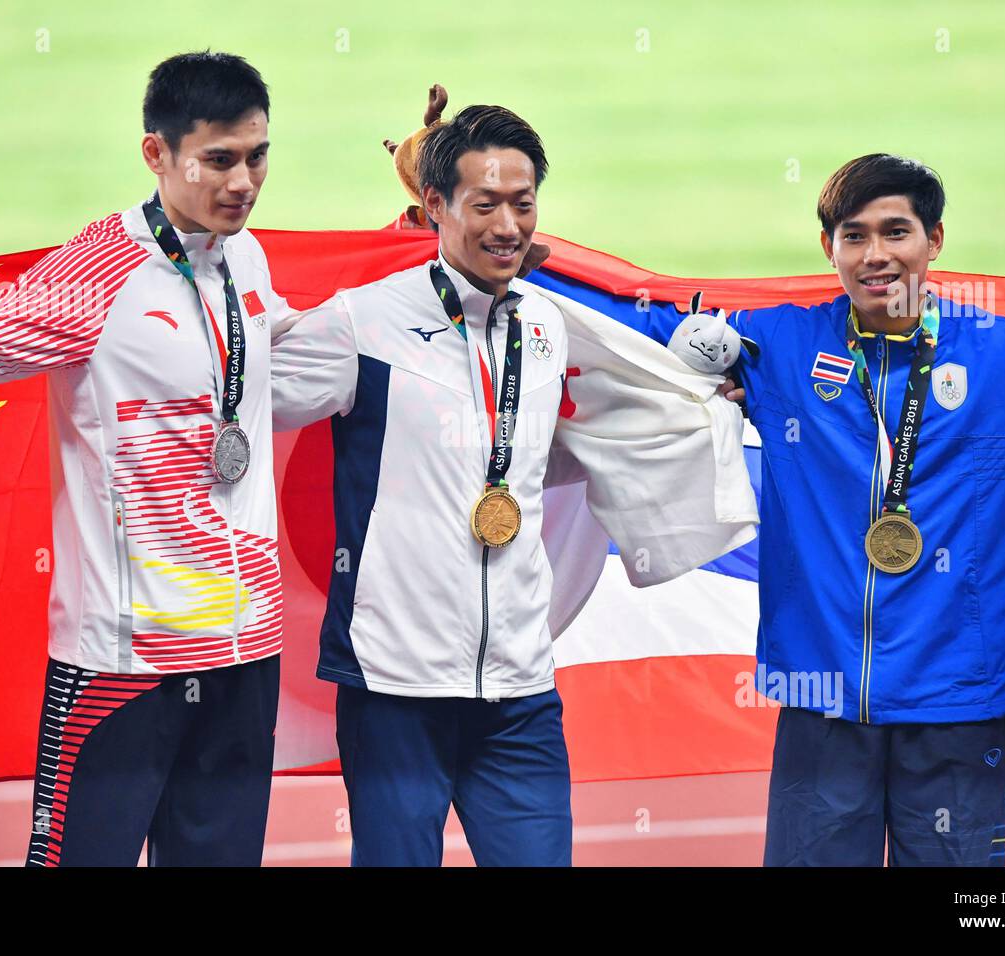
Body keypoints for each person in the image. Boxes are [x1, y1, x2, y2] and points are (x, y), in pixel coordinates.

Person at [268, 104, 757, 866]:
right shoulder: (360, 324)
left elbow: (559, 445)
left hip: (518, 689)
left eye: (522, 204)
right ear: (435, 207)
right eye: (484, 204)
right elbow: (237, 394)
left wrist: (693, 405)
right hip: (395, 683)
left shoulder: (546, 325)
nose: (508, 225)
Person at [0, 51, 293, 866]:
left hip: (244, 649)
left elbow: (291, 353)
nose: (244, 183)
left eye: (258, 156)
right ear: (156, 153)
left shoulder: (247, 261)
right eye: (219, 159)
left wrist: (422, 268)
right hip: (122, 665)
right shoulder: (100, 272)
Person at [659, 153, 1005, 865]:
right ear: (829, 248)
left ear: (935, 240)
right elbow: (615, 335)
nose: (876, 255)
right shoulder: (781, 347)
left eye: (896, 232)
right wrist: (445, 228)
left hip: (957, 713)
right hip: (821, 704)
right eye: (854, 236)